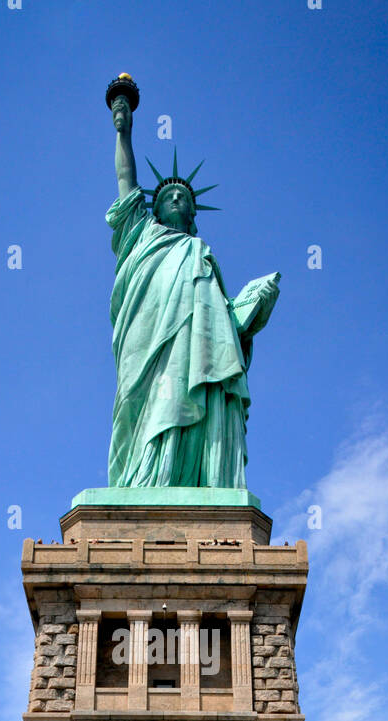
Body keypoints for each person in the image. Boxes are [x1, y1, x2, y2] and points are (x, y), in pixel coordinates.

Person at [106, 91, 279, 488]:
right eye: (168, 197)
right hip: (149, 344)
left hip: (196, 352)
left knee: (194, 389)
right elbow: (124, 179)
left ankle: (191, 479)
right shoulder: (141, 234)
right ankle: (146, 481)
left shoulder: (200, 251)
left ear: (193, 215)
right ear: (155, 208)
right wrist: (124, 132)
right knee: (150, 402)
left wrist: (251, 310)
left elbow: (222, 324)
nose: (177, 201)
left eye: (184, 198)